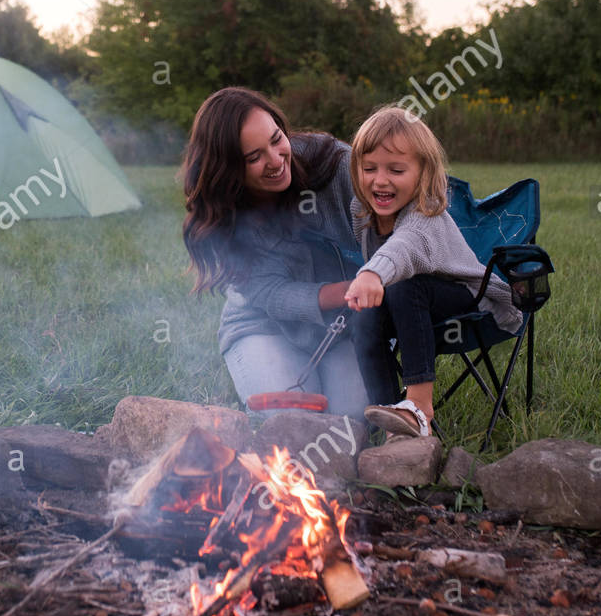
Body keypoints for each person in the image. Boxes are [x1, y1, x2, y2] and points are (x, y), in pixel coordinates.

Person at [181, 87, 398, 423]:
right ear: (228, 171)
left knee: (350, 419)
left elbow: (405, 229)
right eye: (253, 158)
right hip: (264, 324)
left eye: (276, 138)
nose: (275, 160)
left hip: (347, 328)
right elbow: (269, 292)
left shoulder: (338, 166)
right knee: (293, 419)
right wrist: (345, 289)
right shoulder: (230, 211)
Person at [343, 105, 522, 437]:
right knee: (365, 316)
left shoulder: (425, 217)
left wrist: (372, 274)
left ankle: (419, 406)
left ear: (423, 173)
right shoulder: (361, 210)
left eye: (396, 170)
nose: (380, 181)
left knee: (405, 287)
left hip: (470, 298)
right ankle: (386, 414)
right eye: (369, 168)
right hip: (412, 308)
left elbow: (404, 248)